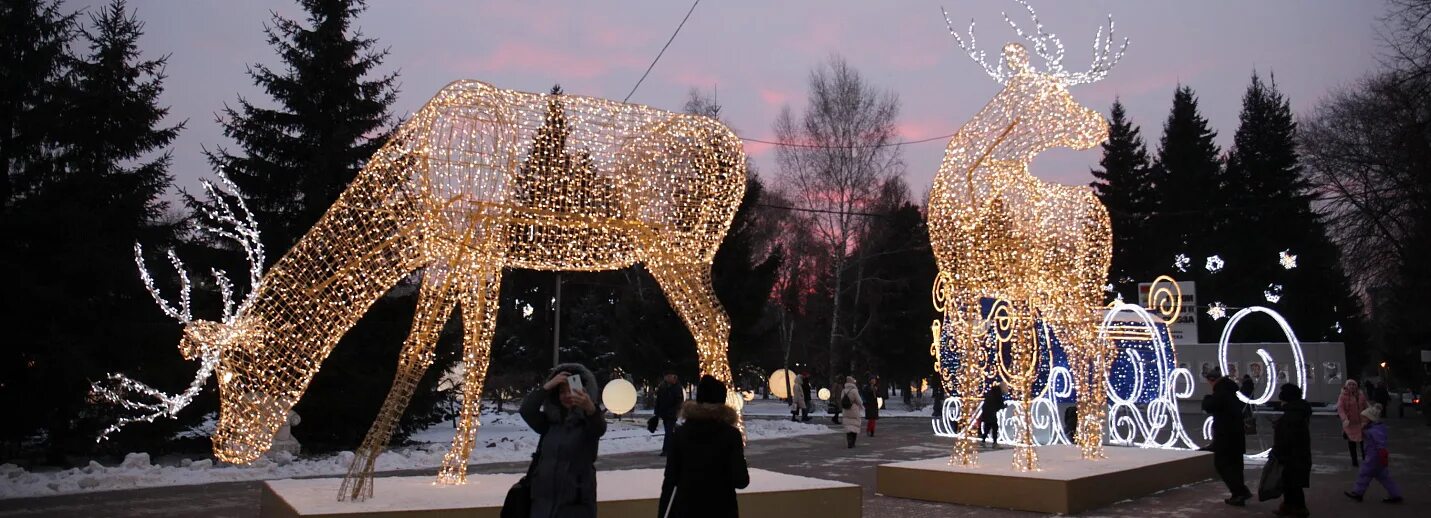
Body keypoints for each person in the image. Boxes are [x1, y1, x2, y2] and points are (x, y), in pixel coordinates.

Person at [520, 363, 606, 518]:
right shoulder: (549, 423)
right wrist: (547, 387)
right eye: (561, 391)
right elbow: (526, 410)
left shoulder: (588, 423)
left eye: (572, 390)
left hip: (575, 507)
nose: (567, 395)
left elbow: (599, 427)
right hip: (542, 506)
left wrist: (590, 407)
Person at [657, 375, 750, 518]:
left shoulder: (681, 434)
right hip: (721, 509)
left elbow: (670, 479)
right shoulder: (731, 435)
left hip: (686, 509)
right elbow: (741, 480)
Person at [1202, 368, 1252, 506]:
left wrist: (1207, 398)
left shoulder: (1221, 391)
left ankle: (1239, 492)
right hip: (1236, 436)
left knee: (1223, 465)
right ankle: (1239, 493)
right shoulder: (1231, 391)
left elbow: (1209, 406)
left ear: (1212, 380)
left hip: (1225, 437)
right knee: (1236, 466)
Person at [1346, 403, 1403, 503]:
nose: (1362, 420)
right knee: (1384, 477)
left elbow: (1379, 443)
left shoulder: (1373, 430)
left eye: (1364, 418)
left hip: (1373, 457)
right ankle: (1395, 495)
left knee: (1364, 474)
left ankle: (1358, 493)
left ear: (1370, 419)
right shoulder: (1376, 428)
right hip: (1377, 457)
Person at [1271, 384, 1311, 517]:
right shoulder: (1298, 411)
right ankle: (1289, 506)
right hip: (1298, 454)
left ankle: (1298, 509)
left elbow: (1287, 437)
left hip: (1292, 456)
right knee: (1291, 483)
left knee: (1292, 483)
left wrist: (1278, 452)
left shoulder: (1292, 415)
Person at [1337, 379, 1368, 466]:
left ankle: (1365, 460)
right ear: (1346, 386)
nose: (1352, 386)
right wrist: (1344, 419)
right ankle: (1354, 461)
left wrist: (1369, 417)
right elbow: (1340, 408)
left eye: (1353, 384)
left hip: (1361, 423)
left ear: (1356, 386)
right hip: (1350, 423)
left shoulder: (1361, 395)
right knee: (1351, 442)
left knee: (1363, 442)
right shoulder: (1343, 396)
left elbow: (1366, 406)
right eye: (1349, 384)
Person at [655, 370, 683, 457]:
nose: (667, 378)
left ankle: (666, 450)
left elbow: (679, 401)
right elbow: (659, 400)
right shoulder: (663, 386)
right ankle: (673, 448)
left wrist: (674, 411)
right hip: (665, 413)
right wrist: (657, 412)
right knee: (669, 431)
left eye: (669, 376)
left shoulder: (677, 387)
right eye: (666, 377)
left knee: (668, 432)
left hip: (672, 414)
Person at [840, 376, 865, 448]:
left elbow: (841, 399)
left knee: (848, 427)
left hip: (846, 410)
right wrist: (861, 407)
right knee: (854, 426)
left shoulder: (843, 391)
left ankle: (849, 442)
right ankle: (853, 442)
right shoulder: (854, 391)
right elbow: (859, 401)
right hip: (854, 409)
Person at [979, 383, 1006, 448]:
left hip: (986, 411)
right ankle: (994, 443)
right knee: (995, 427)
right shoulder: (998, 393)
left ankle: (983, 441)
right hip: (991, 413)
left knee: (987, 427)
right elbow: (1000, 404)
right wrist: (1004, 406)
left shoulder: (991, 392)